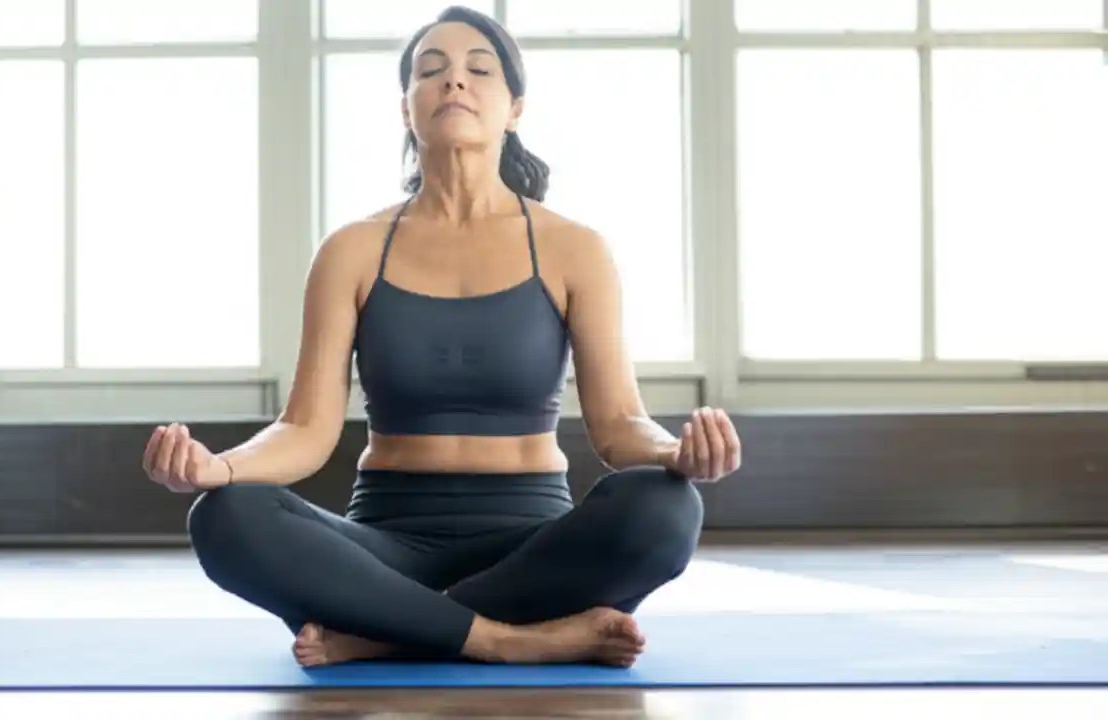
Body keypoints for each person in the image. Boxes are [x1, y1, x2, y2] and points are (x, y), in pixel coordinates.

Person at [141, 5, 742, 669]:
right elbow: (305, 430)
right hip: (385, 549)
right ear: (407, 108)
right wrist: (220, 468)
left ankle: (387, 630)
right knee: (224, 517)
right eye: (431, 70)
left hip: (533, 548)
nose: (454, 81)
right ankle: (509, 638)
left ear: (514, 108)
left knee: (664, 507)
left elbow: (619, 424)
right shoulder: (352, 250)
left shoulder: (575, 249)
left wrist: (674, 453)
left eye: (478, 70)